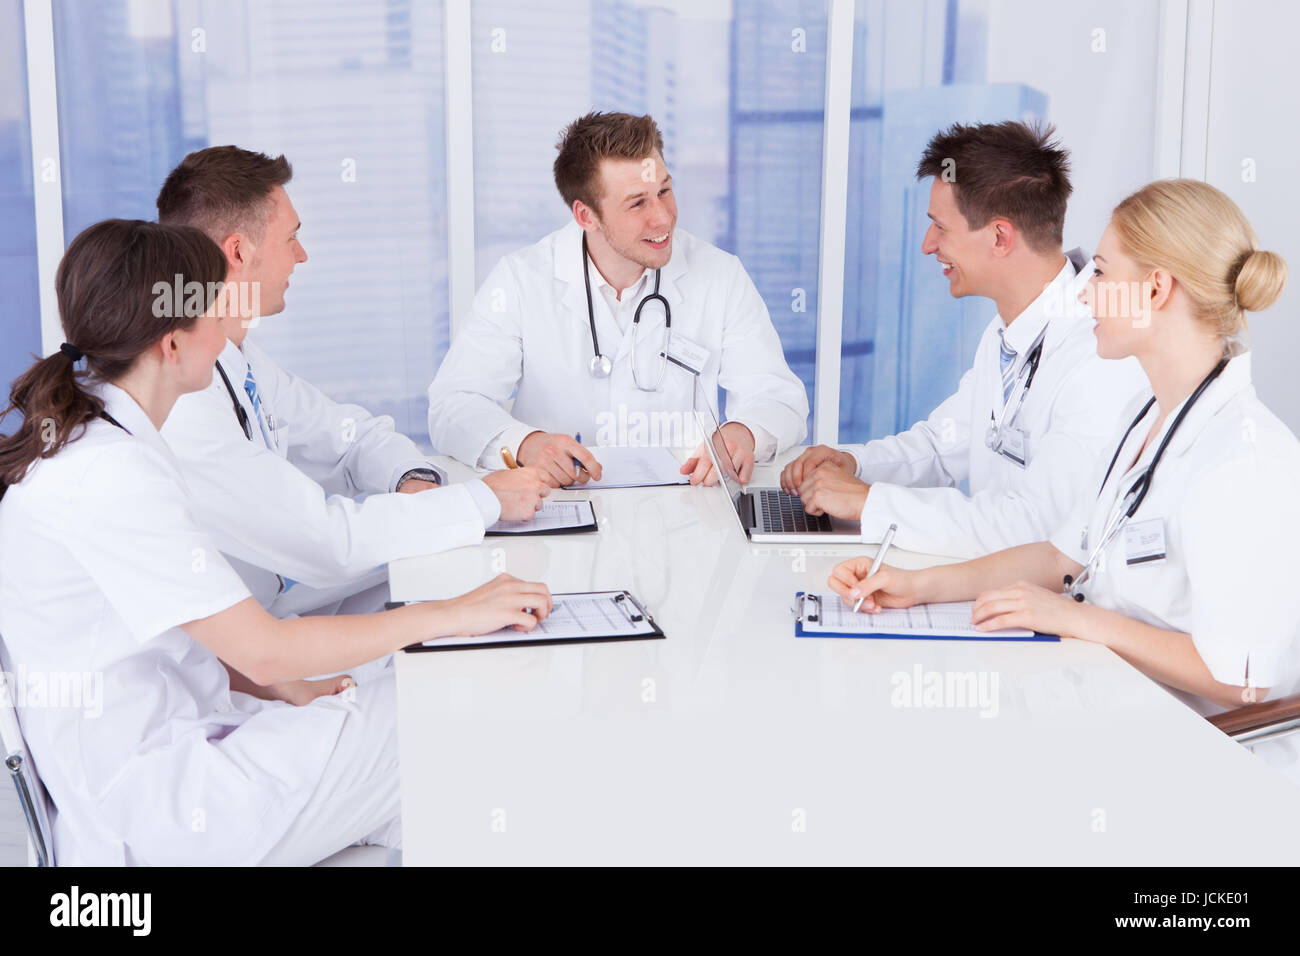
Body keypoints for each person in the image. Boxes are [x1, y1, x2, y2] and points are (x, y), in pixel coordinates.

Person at [0, 219, 553, 865]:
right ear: (173, 343)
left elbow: (186, 636)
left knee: (426, 733)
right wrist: (451, 613)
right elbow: (264, 649)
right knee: (451, 704)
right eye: (214, 305)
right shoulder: (110, 473)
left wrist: (283, 691)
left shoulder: (102, 438)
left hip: (179, 755)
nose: (232, 321)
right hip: (164, 813)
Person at [829, 179, 1300, 777]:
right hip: (1108, 706)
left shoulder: (1244, 462)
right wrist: (918, 586)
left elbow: (1246, 679)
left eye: (1101, 275)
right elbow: (1064, 557)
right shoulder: (1148, 422)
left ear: (1155, 289)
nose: (1084, 298)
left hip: (1200, 758)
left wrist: (1078, 620)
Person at [157, 146, 550, 619]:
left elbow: (352, 438)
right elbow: (324, 541)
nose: (302, 256)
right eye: (292, 239)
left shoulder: (238, 359)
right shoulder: (182, 402)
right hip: (242, 656)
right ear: (239, 251)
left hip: (281, 607)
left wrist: (413, 480)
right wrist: (480, 500)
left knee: (477, 591)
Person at [781, 121, 1146, 558]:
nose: (927, 245)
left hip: (1054, 606)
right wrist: (853, 464)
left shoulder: (1101, 351)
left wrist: (868, 501)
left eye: (940, 227)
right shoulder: (1009, 333)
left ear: (999, 237)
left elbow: (1037, 528)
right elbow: (941, 446)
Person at [427, 111, 810, 489]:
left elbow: (778, 397)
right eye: (637, 203)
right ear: (586, 215)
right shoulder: (520, 281)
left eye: (664, 190)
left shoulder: (720, 276)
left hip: (684, 515)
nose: (662, 218)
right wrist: (525, 444)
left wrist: (744, 432)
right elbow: (454, 404)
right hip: (557, 511)